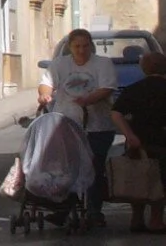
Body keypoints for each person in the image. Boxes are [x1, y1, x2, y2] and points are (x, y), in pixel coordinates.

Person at [40, 29, 120, 227]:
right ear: (70, 47)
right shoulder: (60, 64)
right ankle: (64, 208)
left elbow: (106, 88)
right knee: (66, 168)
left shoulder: (103, 64)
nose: (81, 50)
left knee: (94, 167)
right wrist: (45, 95)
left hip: (98, 126)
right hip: (67, 124)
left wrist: (88, 100)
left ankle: (94, 211)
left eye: (85, 46)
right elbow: (46, 83)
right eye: (77, 46)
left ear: (90, 46)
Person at [112, 51, 166, 232]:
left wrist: (129, 135)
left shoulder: (134, 89)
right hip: (161, 142)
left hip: (138, 141)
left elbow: (116, 112)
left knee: (138, 178)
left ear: (143, 68)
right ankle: (156, 220)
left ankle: (137, 219)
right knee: (160, 182)